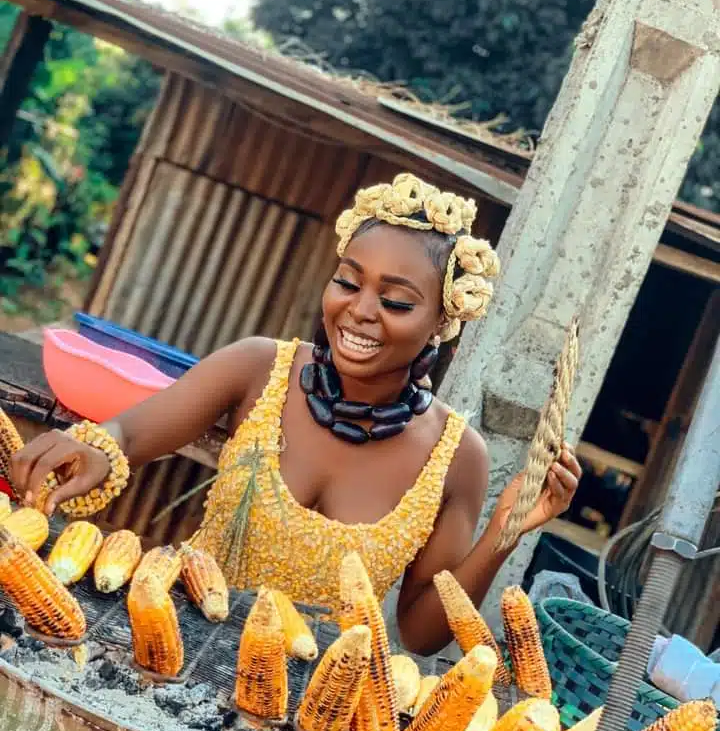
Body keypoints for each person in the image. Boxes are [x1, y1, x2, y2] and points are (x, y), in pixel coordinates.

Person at [10, 172, 581, 657]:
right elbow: (131, 430)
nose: (359, 311)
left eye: (397, 302)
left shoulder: (457, 457)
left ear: (441, 321)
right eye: (348, 282)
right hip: (173, 650)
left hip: (303, 712)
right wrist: (93, 446)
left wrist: (505, 533)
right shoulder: (259, 368)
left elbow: (422, 631)